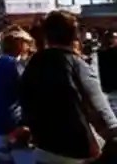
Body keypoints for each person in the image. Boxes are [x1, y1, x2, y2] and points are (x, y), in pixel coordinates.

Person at [21, 11, 117, 162]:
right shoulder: (76, 65)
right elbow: (102, 113)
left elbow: (25, 109)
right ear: (75, 36)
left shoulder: (31, 66)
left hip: (43, 150)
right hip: (78, 153)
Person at [0, 27, 35, 164]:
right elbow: (32, 95)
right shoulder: (15, 66)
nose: (30, 50)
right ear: (20, 45)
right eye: (28, 45)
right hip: (12, 133)